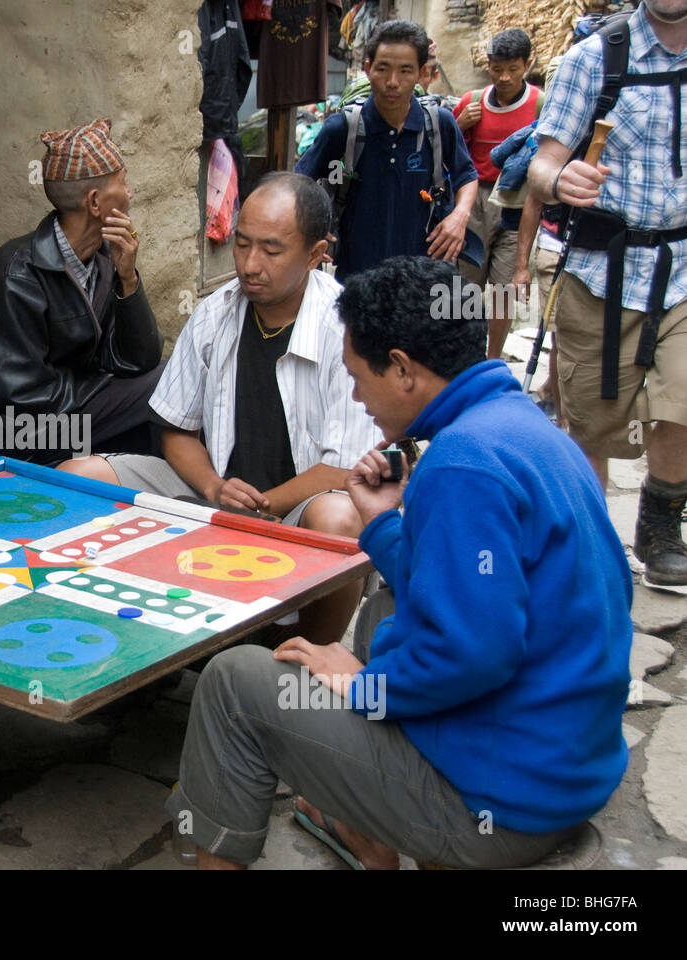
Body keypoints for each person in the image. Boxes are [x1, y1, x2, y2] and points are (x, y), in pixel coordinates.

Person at [165, 256, 632, 870]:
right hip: (567, 772)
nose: (357, 394)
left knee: (235, 683)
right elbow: (482, 594)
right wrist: (385, 523)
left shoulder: (462, 463)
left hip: (499, 807)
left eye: (359, 376)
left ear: (404, 370)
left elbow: (476, 652)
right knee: (385, 608)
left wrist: (364, 684)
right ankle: (374, 835)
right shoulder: (526, 427)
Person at [62, 173, 381, 646]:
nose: (251, 265)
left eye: (272, 251)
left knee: (338, 518)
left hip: (293, 509)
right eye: (242, 244)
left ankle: (310, 657)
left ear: (317, 254)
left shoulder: (347, 327)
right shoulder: (216, 312)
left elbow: (343, 469)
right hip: (216, 494)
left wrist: (264, 504)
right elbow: (175, 429)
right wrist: (214, 485)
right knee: (78, 474)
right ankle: (115, 637)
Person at [527, 0, 687, 588]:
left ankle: (662, 523)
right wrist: (561, 178)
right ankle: (593, 548)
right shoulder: (593, 59)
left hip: (684, 266)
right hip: (602, 273)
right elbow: (541, 165)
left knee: (684, 400)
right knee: (591, 422)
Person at [0, 118, 164, 464]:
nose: (130, 193)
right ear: (95, 202)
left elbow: (138, 360)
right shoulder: (13, 279)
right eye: (123, 183)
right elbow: (23, 401)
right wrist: (102, 385)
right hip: (19, 435)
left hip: (74, 414)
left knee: (168, 389)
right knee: (166, 388)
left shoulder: (103, 259)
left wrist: (129, 281)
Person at [297, 20, 478, 281]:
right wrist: (310, 229)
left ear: (421, 73)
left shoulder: (439, 124)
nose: (393, 82)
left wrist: (460, 217)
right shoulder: (344, 128)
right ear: (368, 69)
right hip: (358, 276)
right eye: (383, 69)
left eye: (405, 71)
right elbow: (299, 182)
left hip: (423, 274)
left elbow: (466, 175)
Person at [453, 28, 544, 357]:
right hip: (475, 199)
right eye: (497, 68)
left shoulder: (539, 104)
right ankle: (464, 356)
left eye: (513, 68)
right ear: (488, 65)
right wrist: (460, 124)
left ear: (527, 64)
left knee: (504, 288)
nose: (505, 77)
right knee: (465, 284)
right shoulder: (472, 102)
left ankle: (493, 359)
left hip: (517, 203)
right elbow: (448, 149)